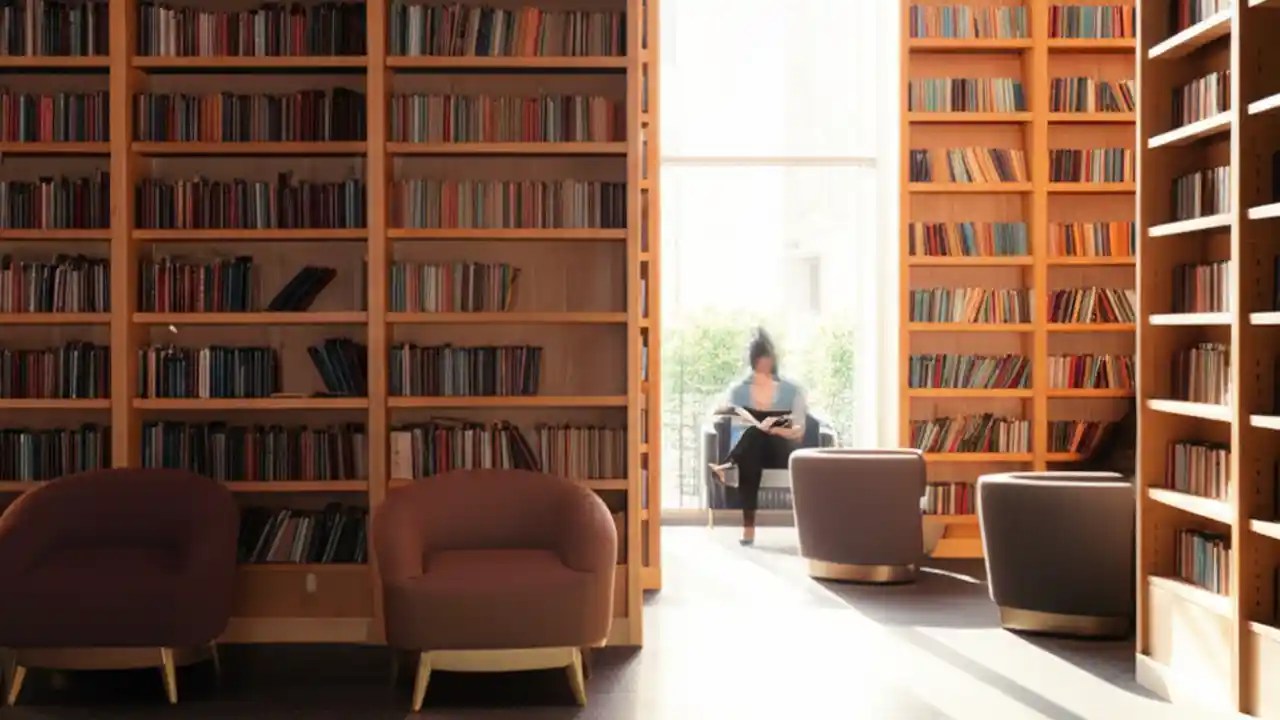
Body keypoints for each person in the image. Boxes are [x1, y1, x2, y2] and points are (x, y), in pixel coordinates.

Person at [709, 328, 806, 546]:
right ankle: (748, 527)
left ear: (772, 361)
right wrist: (724, 410)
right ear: (753, 362)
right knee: (752, 445)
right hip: (753, 452)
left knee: (754, 435)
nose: (763, 366)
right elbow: (730, 417)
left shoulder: (790, 390)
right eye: (759, 362)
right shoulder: (739, 391)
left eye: (766, 361)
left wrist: (775, 428)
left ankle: (727, 465)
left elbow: (798, 430)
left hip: (783, 449)